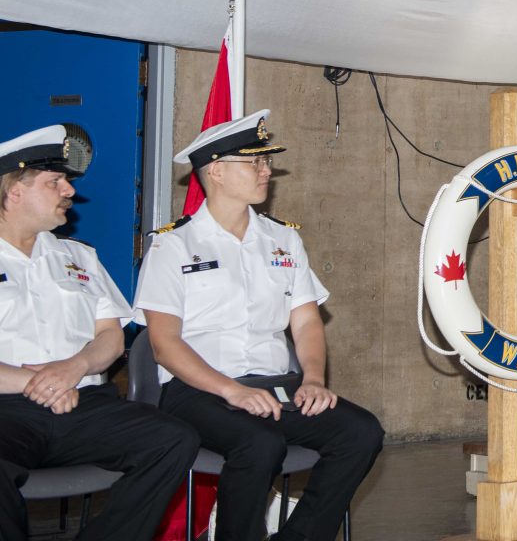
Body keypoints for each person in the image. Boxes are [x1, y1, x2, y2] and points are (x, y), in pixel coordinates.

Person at [134, 110, 382, 541]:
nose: (267, 170)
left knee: (360, 432)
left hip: (273, 384)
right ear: (216, 171)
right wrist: (232, 390)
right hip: (200, 390)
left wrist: (315, 379)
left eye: (266, 161)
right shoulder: (173, 245)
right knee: (260, 442)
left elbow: (305, 321)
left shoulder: (283, 240)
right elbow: (164, 344)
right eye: (255, 161)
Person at [0, 125, 199, 541]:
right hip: (8, 410)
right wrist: (43, 381)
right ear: (14, 192)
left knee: (172, 439)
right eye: (55, 182)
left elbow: (111, 335)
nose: (69, 191)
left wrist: (75, 367)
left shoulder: (78, 256)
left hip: (83, 403)